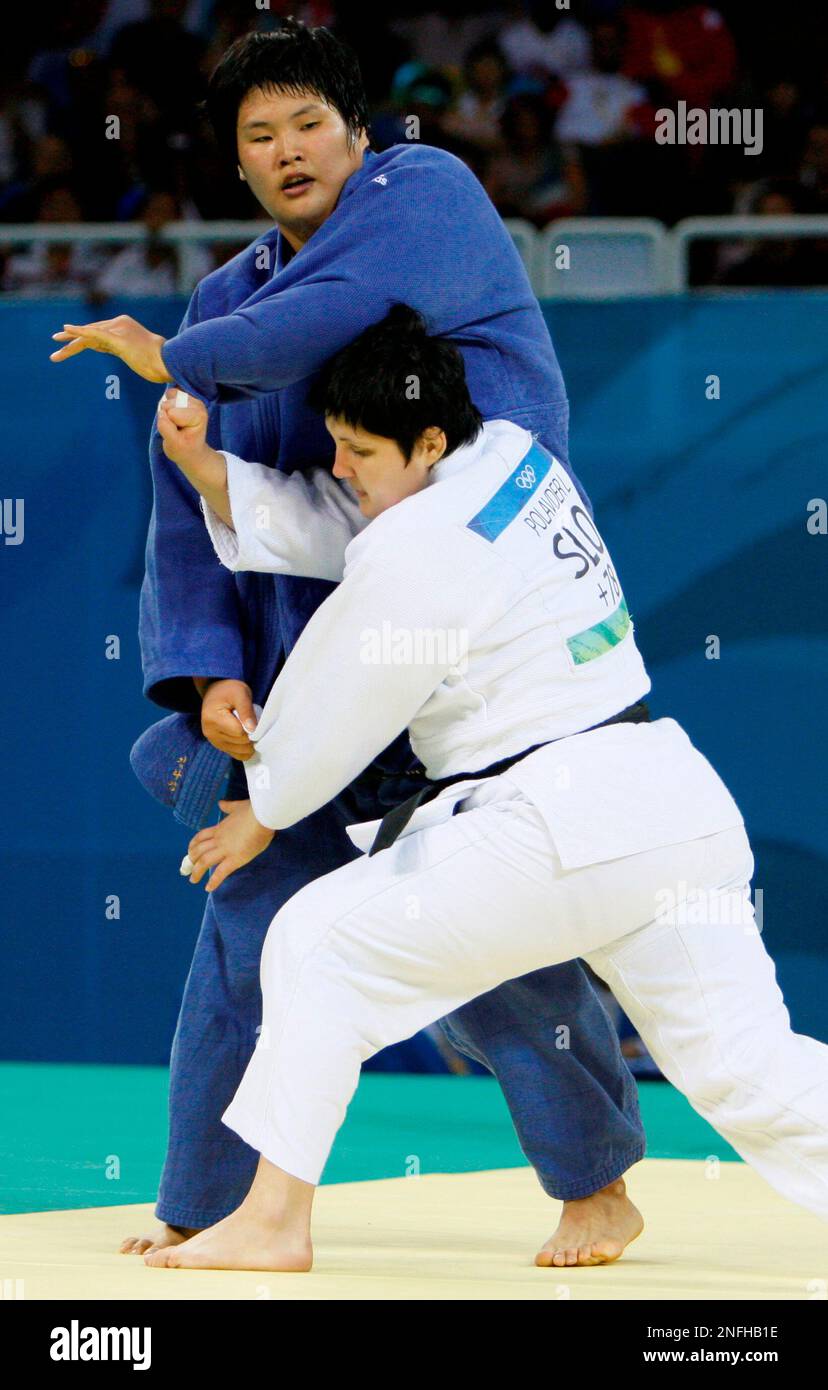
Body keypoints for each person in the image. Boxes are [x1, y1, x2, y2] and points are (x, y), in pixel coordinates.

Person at [49, 20, 647, 1269]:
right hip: (277, 691)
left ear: (359, 131)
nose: (287, 151)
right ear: (236, 161)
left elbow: (298, 368)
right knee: (247, 942)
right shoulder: (227, 296)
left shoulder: (418, 215)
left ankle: (596, 1178)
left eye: (308, 122)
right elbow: (185, 521)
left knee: (493, 962)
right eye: (258, 135)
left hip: (431, 672)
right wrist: (209, 672)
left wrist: (166, 355)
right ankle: (206, 1202)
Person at [143, 305, 828, 1272]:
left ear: (427, 440)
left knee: (316, 938)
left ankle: (271, 1225)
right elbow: (362, 526)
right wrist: (215, 472)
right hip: (675, 808)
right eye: (334, 445)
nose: (340, 471)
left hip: (558, 822)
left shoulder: (418, 547)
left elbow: (334, 706)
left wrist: (266, 800)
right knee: (749, 1070)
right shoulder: (512, 455)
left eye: (358, 452)